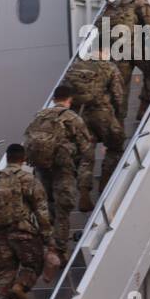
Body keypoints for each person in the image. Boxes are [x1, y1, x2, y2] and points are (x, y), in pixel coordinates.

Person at [0, 144, 52, 299]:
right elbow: (41, 209)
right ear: (23, 158)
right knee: (32, 264)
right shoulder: (27, 178)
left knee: (3, 274)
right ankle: (20, 286)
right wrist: (47, 235)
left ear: (7, 157)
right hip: (22, 230)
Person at [24, 84, 93, 256]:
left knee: (47, 206)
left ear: (54, 99)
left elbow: (27, 139)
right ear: (70, 99)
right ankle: (60, 251)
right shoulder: (72, 117)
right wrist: (84, 182)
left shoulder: (39, 116)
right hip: (63, 169)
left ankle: (48, 244)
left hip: (41, 167)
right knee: (63, 209)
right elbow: (86, 149)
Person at [65, 44, 126, 211]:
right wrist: (120, 116)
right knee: (116, 145)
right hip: (103, 114)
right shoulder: (108, 66)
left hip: (81, 116)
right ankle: (105, 182)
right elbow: (118, 94)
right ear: (104, 51)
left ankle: (84, 193)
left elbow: (66, 92)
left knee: (86, 156)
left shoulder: (75, 67)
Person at [101, 0, 150, 120]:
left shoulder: (110, 6)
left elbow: (100, 29)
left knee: (121, 88)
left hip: (118, 52)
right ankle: (144, 108)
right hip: (137, 50)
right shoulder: (139, 2)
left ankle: (118, 121)